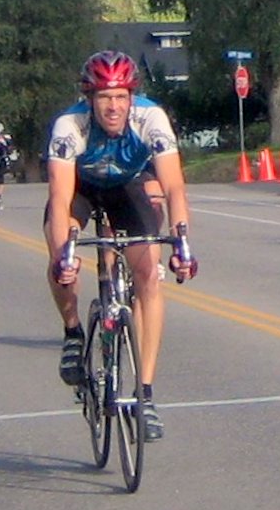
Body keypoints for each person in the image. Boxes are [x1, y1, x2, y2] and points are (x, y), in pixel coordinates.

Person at [45, 50, 198, 440]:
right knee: (59, 252)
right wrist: (65, 254)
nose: (112, 107)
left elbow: (174, 185)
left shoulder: (152, 119)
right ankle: (73, 331)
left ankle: (145, 396)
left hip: (126, 185)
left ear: (132, 97)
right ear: (89, 98)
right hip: (81, 188)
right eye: (103, 98)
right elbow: (61, 198)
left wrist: (182, 242)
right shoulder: (69, 126)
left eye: (120, 97)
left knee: (148, 271)